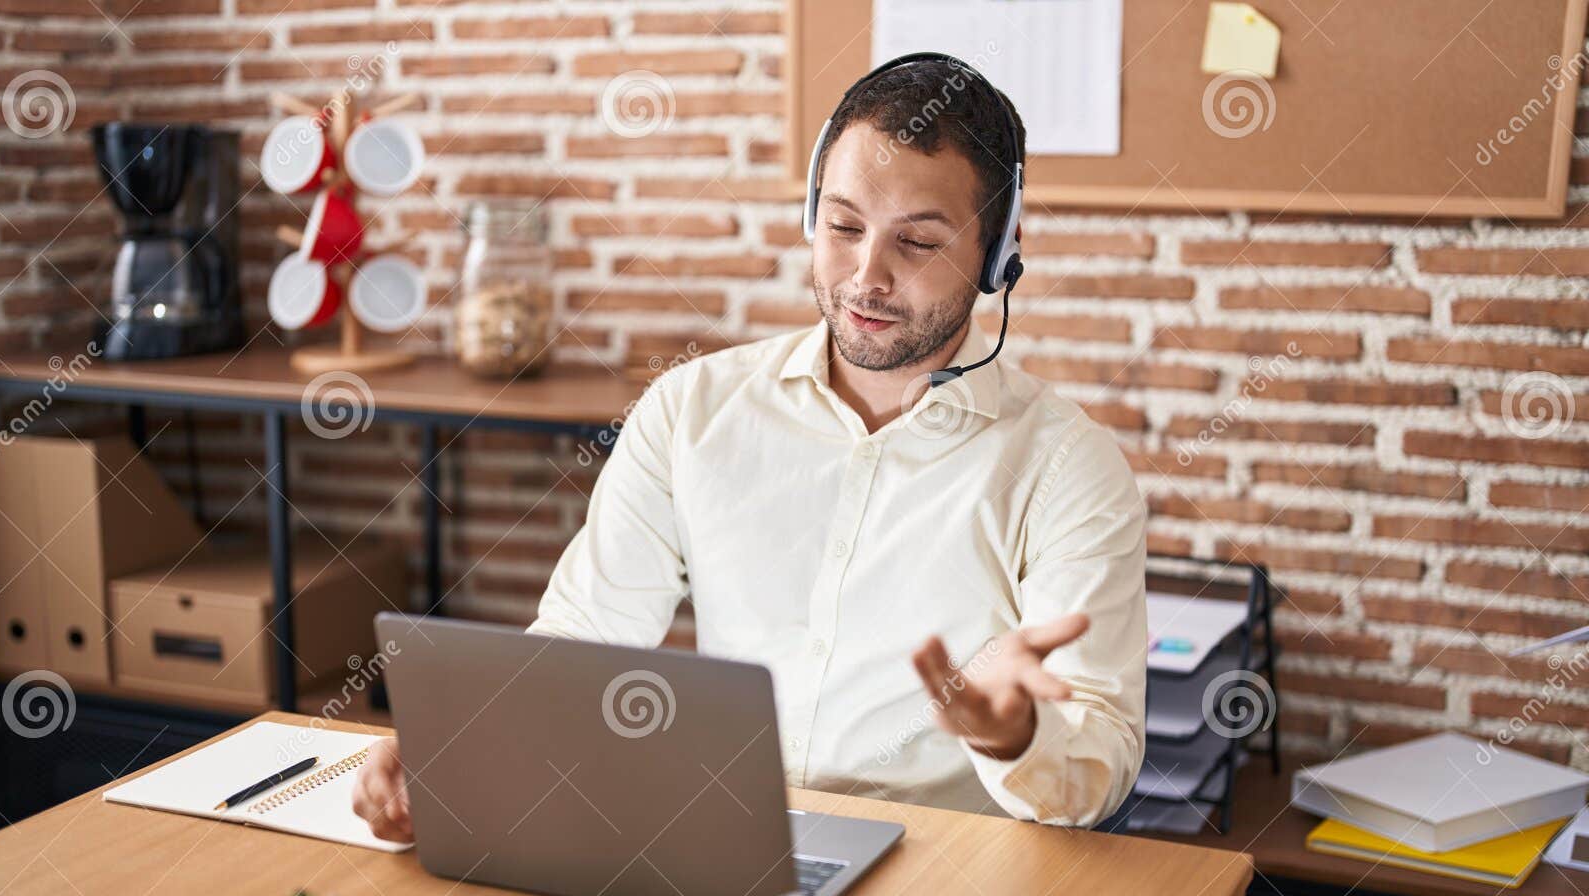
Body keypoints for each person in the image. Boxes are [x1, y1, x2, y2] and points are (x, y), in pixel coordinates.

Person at [354, 56, 1147, 845]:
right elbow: (584, 635)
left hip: (946, 877)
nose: (867, 276)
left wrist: (1017, 738)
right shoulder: (691, 409)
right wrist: (455, 746)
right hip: (732, 850)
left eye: (918, 242)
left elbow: (1101, 754)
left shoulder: (1067, 467)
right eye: (842, 226)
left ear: (998, 255)